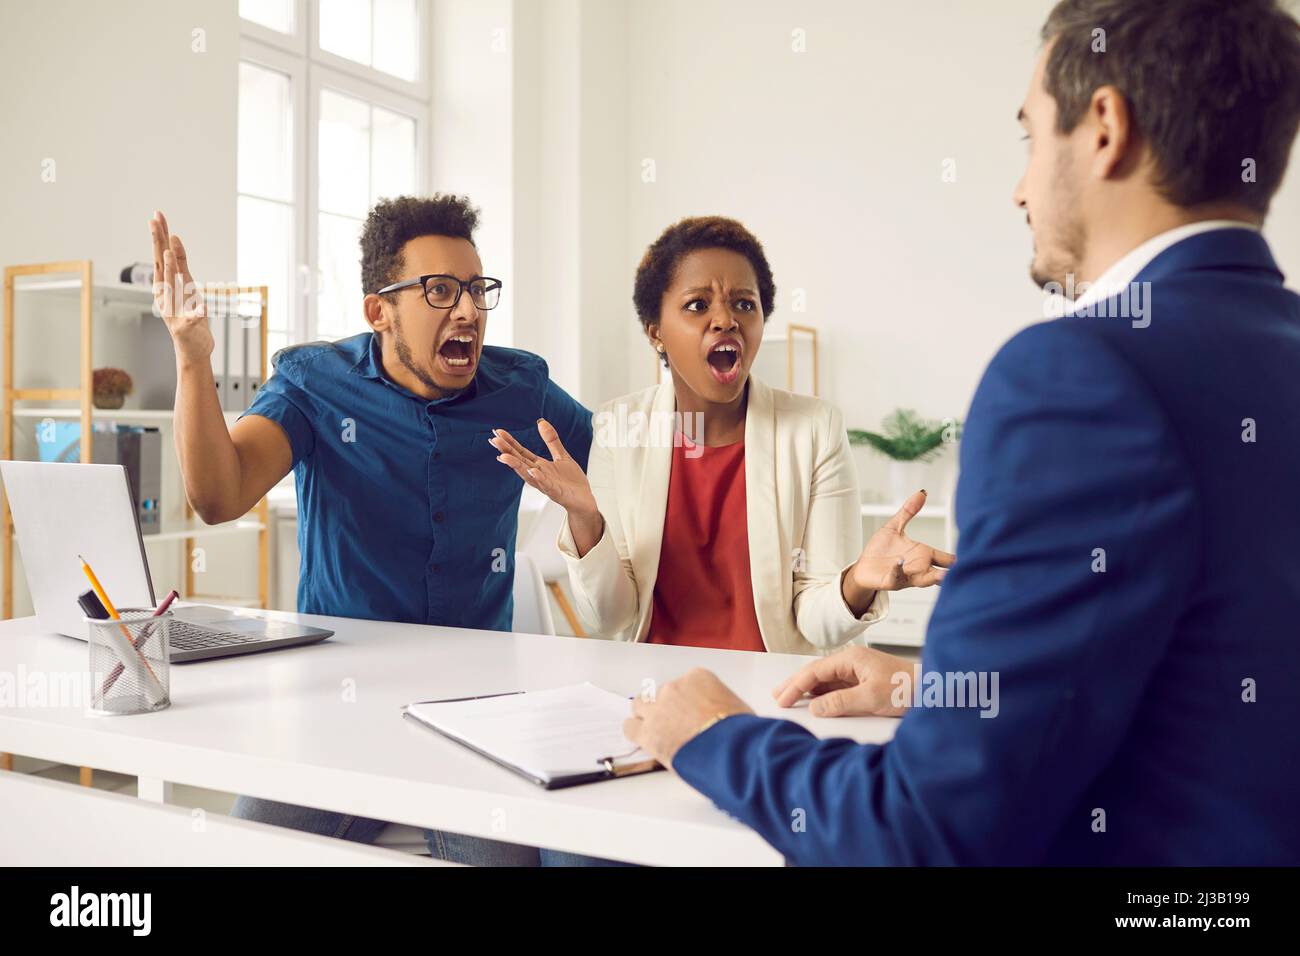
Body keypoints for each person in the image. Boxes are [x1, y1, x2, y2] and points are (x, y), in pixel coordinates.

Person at [622, 0, 1300, 865]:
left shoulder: (1078, 378)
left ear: (1103, 128)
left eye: (1030, 138)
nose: (1021, 186)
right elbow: (1208, 696)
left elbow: (922, 835)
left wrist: (715, 738)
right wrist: (929, 689)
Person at [149, 194, 593, 865]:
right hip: (336, 704)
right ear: (379, 311)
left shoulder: (520, 389)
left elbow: (627, 470)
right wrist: (191, 356)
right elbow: (219, 495)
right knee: (241, 854)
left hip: (475, 711)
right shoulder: (315, 384)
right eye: (440, 291)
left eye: (477, 290)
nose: (468, 311)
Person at [491, 216, 950, 654]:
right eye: (697, 305)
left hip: (773, 691)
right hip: (652, 689)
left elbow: (814, 623)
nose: (725, 319)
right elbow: (609, 619)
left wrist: (857, 583)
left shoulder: (814, 429)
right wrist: (586, 520)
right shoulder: (619, 428)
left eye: (744, 304)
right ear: (656, 332)